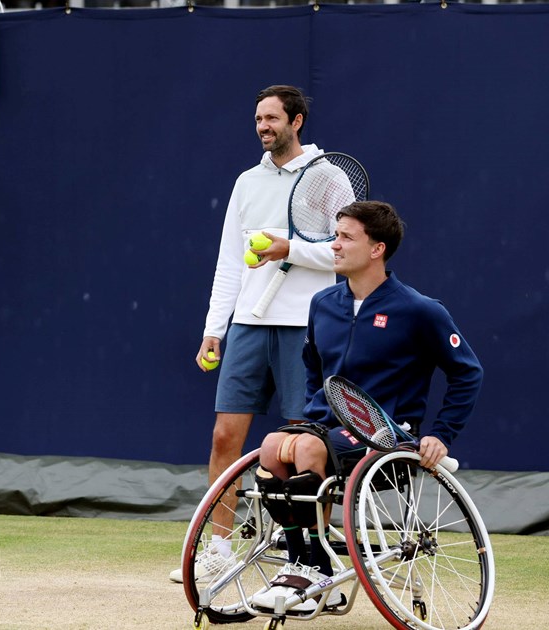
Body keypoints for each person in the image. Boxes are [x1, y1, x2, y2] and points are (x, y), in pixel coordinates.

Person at [248, 200, 483, 614]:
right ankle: (301, 564)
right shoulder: (322, 303)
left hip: (388, 436)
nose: (335, 245)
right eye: (335, 236)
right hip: (326, 429)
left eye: (346, 237)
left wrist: (441, 434)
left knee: (306, 448)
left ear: (377, 249)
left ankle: (316, 571)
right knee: (270, 447)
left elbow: (468, 373)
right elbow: (313, 366)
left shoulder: (420, 310)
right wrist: (312, 414)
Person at [172, 85, 336, 583]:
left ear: (297, 121)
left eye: (272, 118)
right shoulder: (246, 182)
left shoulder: (329, 178)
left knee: (304, 446)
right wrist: (214, 329)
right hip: (247, 325)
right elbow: (229, 262)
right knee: (225, 436)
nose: (263, 127)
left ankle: (307, 554)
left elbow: (345, 252)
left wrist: (289, 249)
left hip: (304, 326)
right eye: (259, 119)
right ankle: (219, 548)